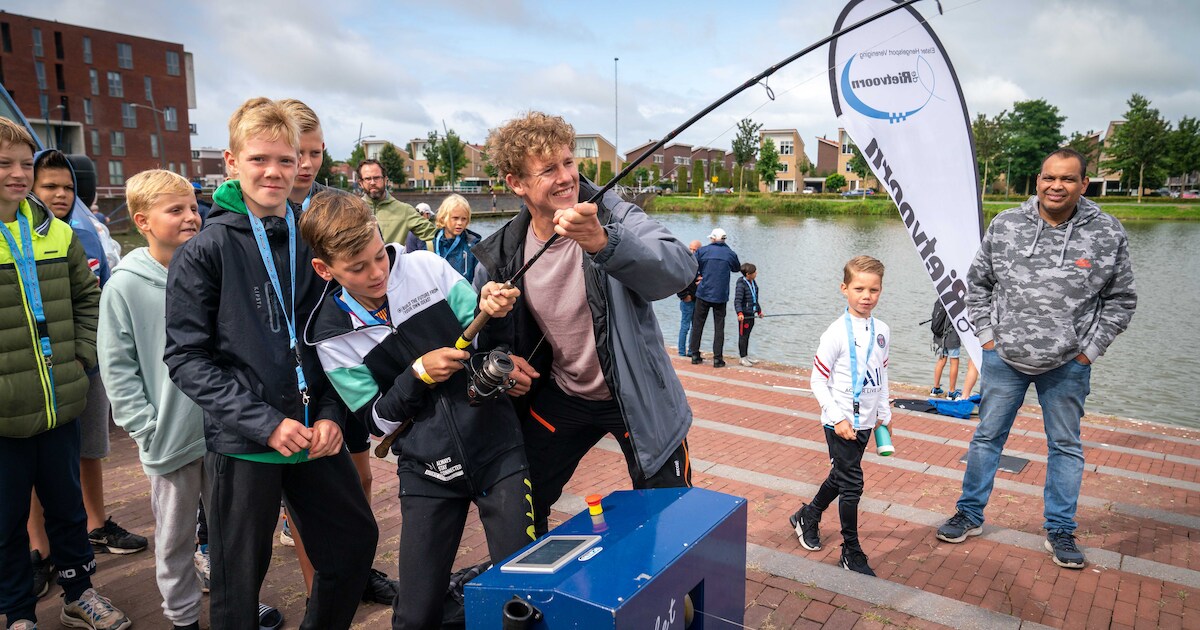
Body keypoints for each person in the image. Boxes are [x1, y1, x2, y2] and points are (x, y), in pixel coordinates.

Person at [164, 97, 378, 629]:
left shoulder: (308, 237)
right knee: (239, 580)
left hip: (315, 434)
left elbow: (329, 335)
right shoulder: (204, 249)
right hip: (247, 442)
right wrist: (264, 423)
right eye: (260, 159)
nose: (276, 172)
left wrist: (330, 412)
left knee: (355, 545)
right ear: (232, 162)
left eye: (287, 160)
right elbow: (187, 359)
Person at [301, 192, 531, 628]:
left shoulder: (426, 266)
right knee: (415, 615)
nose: (376, 274)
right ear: (324, 269)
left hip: (498, 449)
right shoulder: (329, 336)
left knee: (522, 591)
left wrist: (495, 312)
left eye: (377, 257)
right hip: (427, 471)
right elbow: (374, 420)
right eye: (357, 268)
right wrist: (417, 374)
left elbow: (489, 341)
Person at [474, 111, 697, 537]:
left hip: (636, 394)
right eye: (548, 170)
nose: (565, 177)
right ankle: (529, 596)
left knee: (671, 517)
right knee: (518, 504)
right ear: (516, 183)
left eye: (568, 162)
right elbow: (487, 342)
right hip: (564, 393)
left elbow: (680, 269)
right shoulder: (500, 253)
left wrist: (602, 241)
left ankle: (675, 600)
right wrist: (502, 357)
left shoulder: (612, 213)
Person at [936, 148, 1137, 570]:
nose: (1056, 186)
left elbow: (1121, 301)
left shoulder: (1106, 232)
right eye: (1049, 177)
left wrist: (1088, 353)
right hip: (1003, 359)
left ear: (1084, 183)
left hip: (1067, 365)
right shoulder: (1007, 224)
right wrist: (988, 340)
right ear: (1038, 180)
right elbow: (977, 285)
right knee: (987, 438)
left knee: (1065, 447)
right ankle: (969, 514)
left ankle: (1060, 529)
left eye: (1067, 179)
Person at [0, 118, 131, 630]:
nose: (15, 174)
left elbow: (87, 298)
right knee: (7, 522)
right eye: (3, 164)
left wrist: (78, 358)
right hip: (5, 416)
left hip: (59, 400)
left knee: (67, 509)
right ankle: (17, 612)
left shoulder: (53, 231)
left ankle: (79, 593)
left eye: (21, 164)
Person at [278, 98, 397, 607]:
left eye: (315, 152)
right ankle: (318, 592)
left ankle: (355, 569)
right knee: (312, 495)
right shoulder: (266, 216)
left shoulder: (330, 205)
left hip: (343, 356)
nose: (306, 165)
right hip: (298, 370)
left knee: (361, 474)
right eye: (296, 153)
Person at [27, 150, 146, 602]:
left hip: (87, 360)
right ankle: (38, 547)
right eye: (49, 186)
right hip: (37, 368)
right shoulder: (20, 234)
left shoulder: (88, 230)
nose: (60, 195)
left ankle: (95, 524)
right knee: (37, 458)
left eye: (68, 187)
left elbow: (96, 295)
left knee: (90, 447)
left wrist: (86, 353)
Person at [97, 169, 208, 630]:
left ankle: (232, 601)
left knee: (227, 529)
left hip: (223, 429)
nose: (191, 218)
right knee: (175, 536)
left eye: (193, 208)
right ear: (142, 220)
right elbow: (116, 367)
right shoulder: (123, 286)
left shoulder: (207, 270)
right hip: (170, 439)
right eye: (176, 210)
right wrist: (146, 426)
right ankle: (182, 617)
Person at [788, 255, 891, 577]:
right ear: (844, 289)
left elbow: (882, 373)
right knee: (852, 485)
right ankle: (851, 550)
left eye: (873, 289)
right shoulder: (834, 332)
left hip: (866, 420)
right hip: (840, 421)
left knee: (842, 475)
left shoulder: (882, 330)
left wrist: (884, 411)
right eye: (859, 288)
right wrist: (837, 418)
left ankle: (808, 514)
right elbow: (817, 380)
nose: (866, 296)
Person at [689, 228, 740, 367]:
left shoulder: (703, 251)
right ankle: (717, 358)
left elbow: (691, 265)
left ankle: (694, 354)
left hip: (703, 292)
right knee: (719, 327)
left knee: (698, 324)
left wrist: (697, 277)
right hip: (721, 295)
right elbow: (736, 268)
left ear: (712, 239)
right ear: (724, 239)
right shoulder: (729, 253)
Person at [357, 159, 437, 245]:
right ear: (360, 183)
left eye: (376, 178)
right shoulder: (351, 211)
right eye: (367, 179)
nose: (372, 182)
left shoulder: (404, 210)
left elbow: (438, 236)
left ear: (385, 180)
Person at [431, 193, 482, 282]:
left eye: (464, 219)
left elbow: (479, 280)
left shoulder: (474, 246)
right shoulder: (431, 243)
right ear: (443, 218)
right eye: (455, 218)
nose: (460, 223)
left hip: (465, 294)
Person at [929, 299, 961, 399]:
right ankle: (951, 392)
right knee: (954, 361)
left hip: (939, 336)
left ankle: (936, 388)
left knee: (941, 360)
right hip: (952, 336)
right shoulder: (957, 300)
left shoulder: (941, 297)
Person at [675, 240, 701, 357]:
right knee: (685, 326)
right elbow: (677, 280)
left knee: (695, 326)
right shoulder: (683, 262)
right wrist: (684, 295)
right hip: (687, 299)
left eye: (695, 249)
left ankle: (691, 350)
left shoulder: (700, 262)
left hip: (698, 299)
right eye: (691, 248)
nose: (692, 251)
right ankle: (681, 351)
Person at [734, 262, 763, 367]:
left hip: (752, 313)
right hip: (744, 315)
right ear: (748, 274)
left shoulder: (753, 282)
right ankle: (742, 358)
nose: (756, 273)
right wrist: (739, 312)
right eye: (754, 272)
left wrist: (759, 311)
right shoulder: (741, 284)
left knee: (747, 336)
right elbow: (737, 300)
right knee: (743, 336)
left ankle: (746, 356)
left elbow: (754, 298)